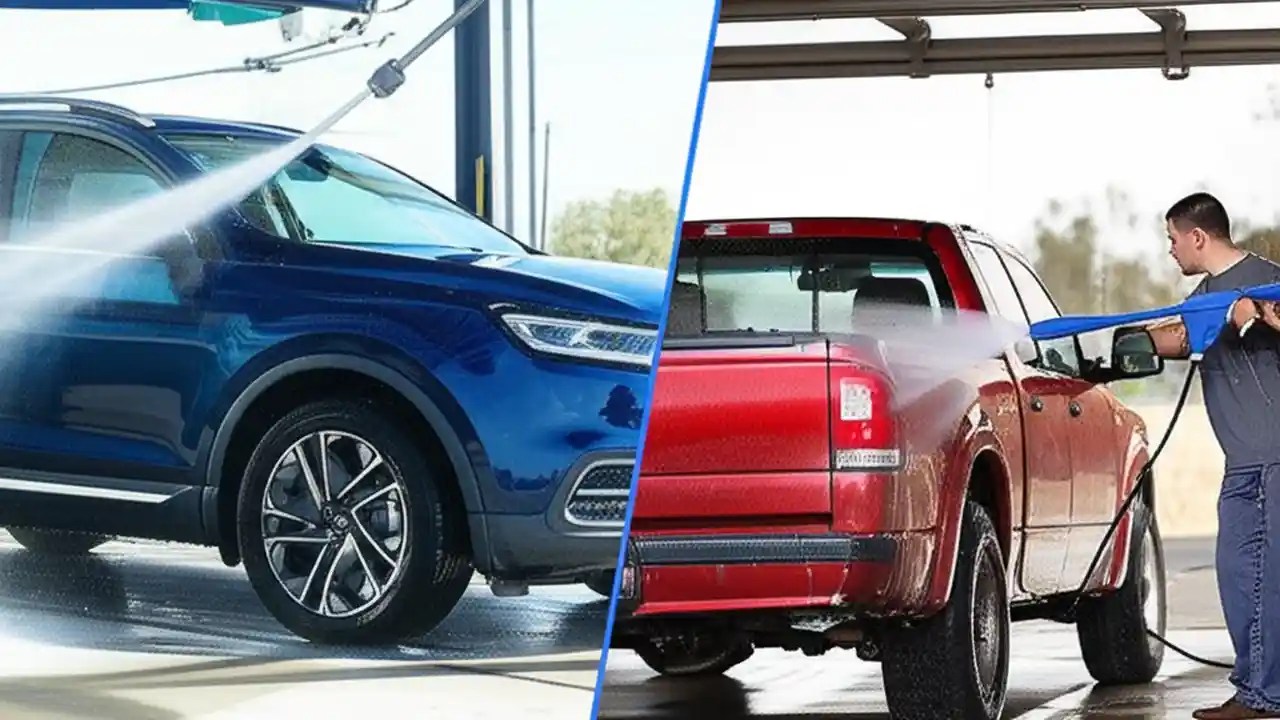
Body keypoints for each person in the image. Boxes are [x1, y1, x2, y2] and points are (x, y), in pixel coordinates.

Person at [1147, 192, 1280, 720]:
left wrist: (1264, 317)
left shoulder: (1270, 279)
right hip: (1242, 462)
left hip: (1273, 456)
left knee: (1263, 577)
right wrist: (1112, 343)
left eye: (1172, 239)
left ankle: (1263, 695)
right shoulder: (1202, 300)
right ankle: (1256, 688)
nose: (1170, 250)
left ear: (1197, 236)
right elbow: (1178, 337)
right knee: (1239, 573)